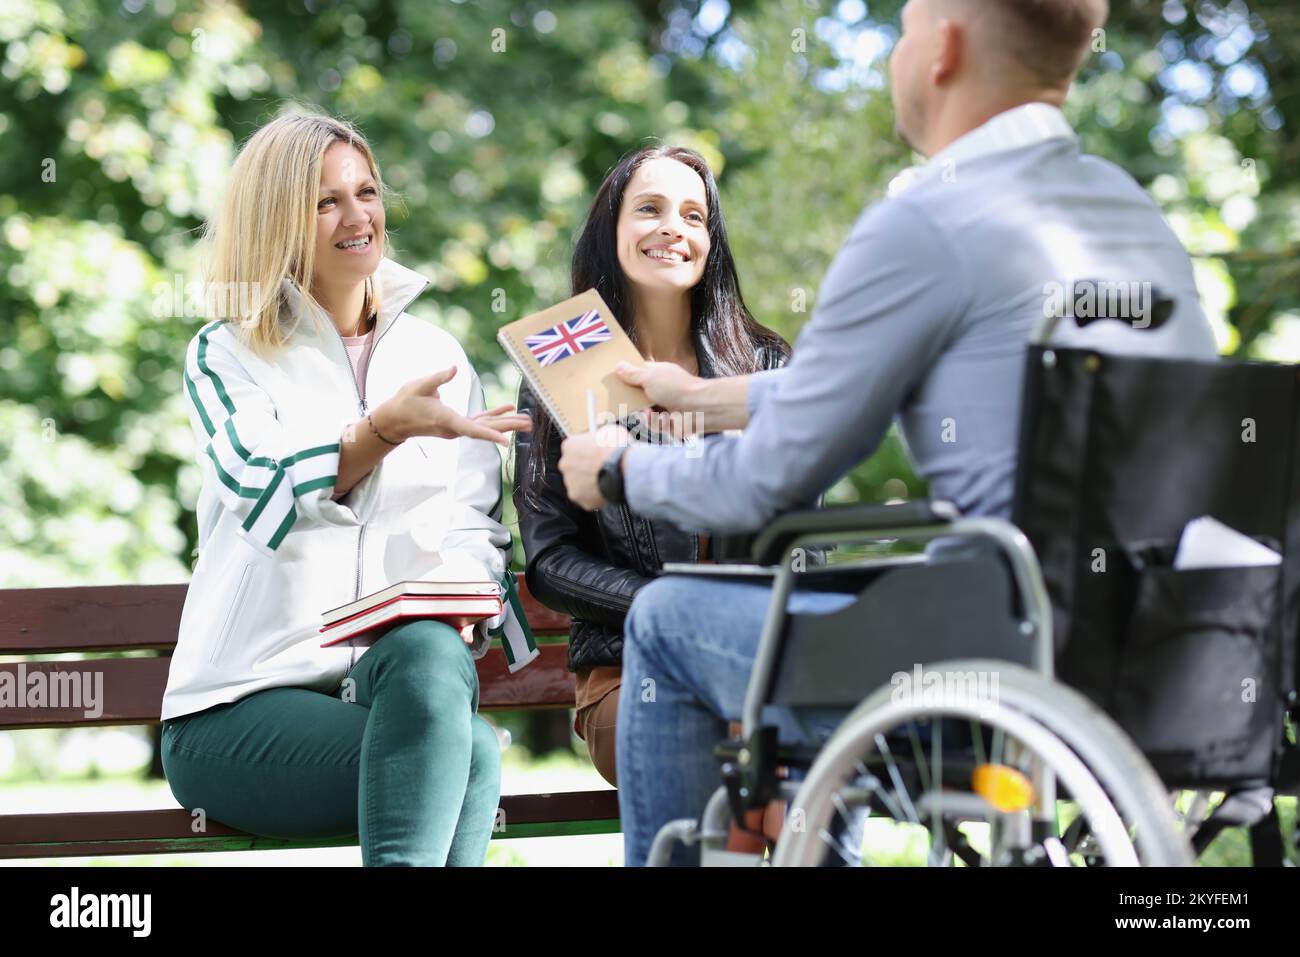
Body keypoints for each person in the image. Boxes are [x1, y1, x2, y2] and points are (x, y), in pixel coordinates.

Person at [556, 0, 1218, 865]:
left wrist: (620, 472)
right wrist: (702, 397)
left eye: (903, 28)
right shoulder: (1130, 216)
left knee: (670, 619)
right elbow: (840, 391)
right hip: (1172, 658)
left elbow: (770, 478)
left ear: (942, 46)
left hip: (1000, 656)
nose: (894, 53)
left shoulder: (930, 221)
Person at [159, 113, 533, 866]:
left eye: (366, 192)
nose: (358, 216)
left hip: (386, 694)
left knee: (433, 659)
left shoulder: (438, 356)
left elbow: (473, 528)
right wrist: (379, 433)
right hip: (236, 711)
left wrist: (465, 600)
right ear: (277, 220)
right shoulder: (227, 350)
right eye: (325, 202)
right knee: (470, 759)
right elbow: (258, 482)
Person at [513, 145, 792, 787]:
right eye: (649, 209)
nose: (674, 227)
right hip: (629, 667)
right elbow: (550, 563)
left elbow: (803, 539)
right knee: (704, 739)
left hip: (760, 657)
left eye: (695, 216)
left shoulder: (769, 366)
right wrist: (670, 607)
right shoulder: (559, 370)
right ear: (610, 231)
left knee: (790, 743)